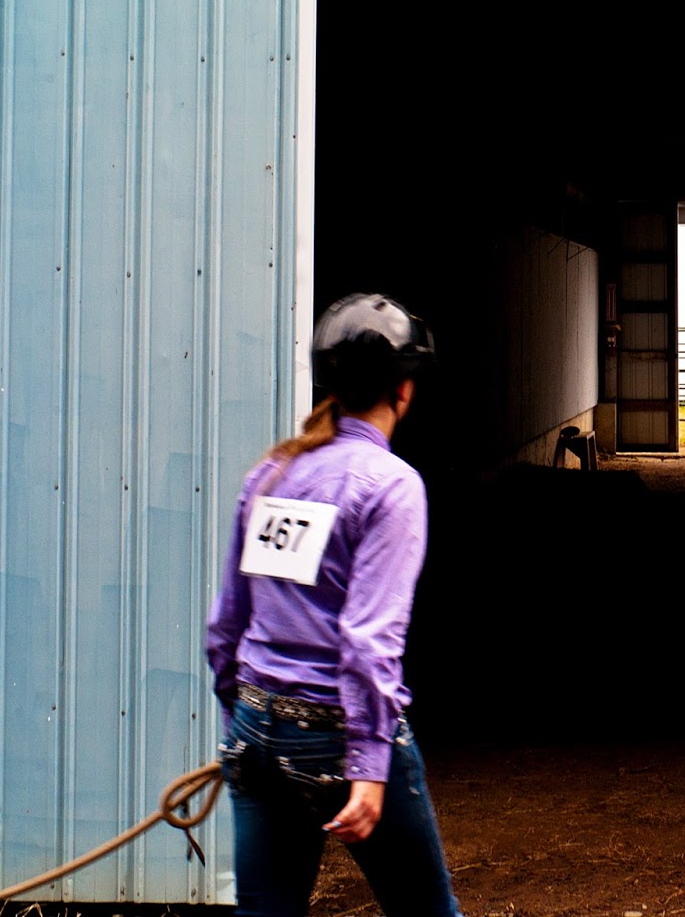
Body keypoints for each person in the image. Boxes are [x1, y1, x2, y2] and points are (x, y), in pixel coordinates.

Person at [206, 293, 462, 917]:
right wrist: (370, 766)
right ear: (404, 390)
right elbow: (369, 638)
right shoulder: (391, 486)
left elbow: (226, 626)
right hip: (335, 735)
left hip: (256, 725)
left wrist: (242, 725)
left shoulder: (272, 472)